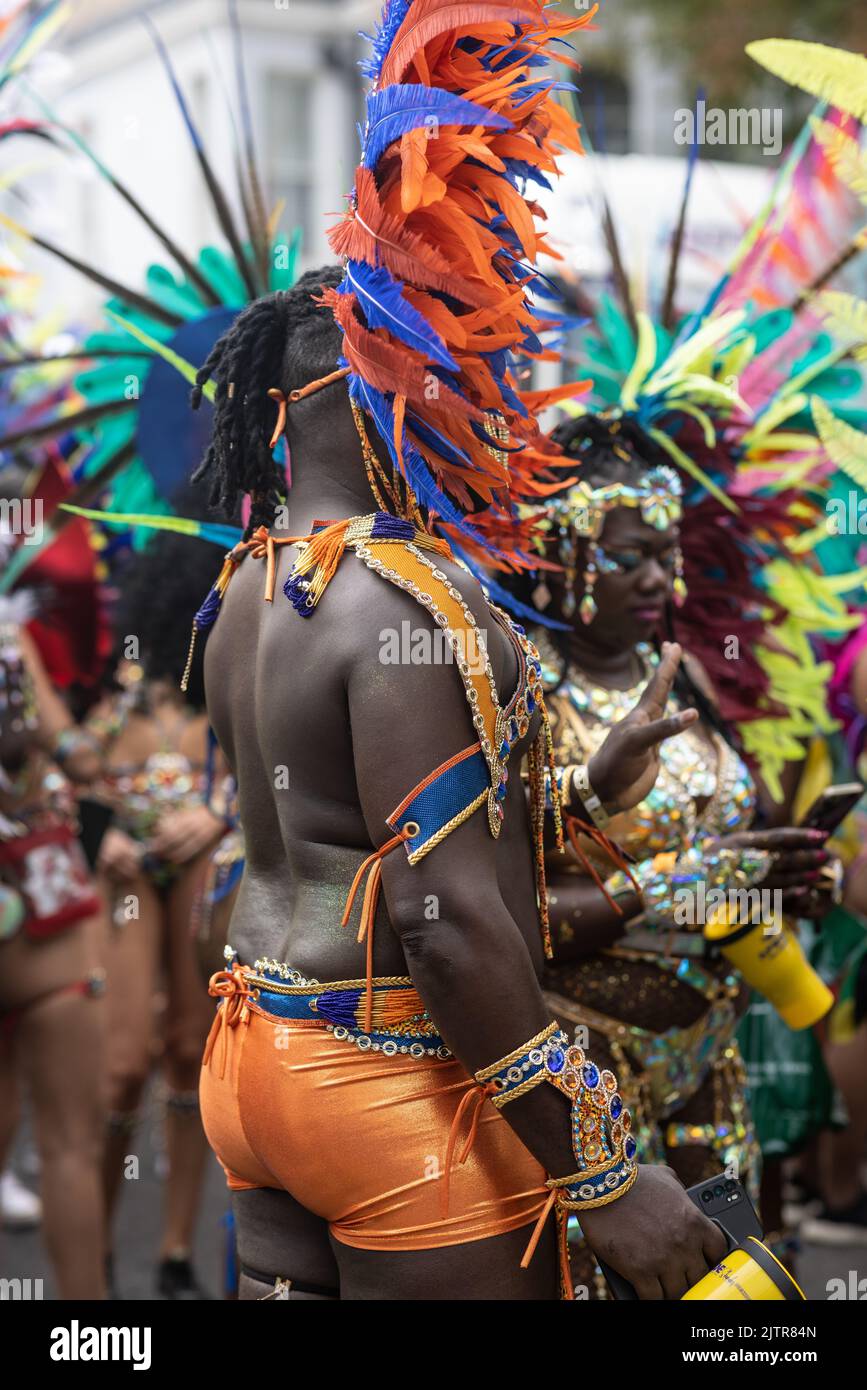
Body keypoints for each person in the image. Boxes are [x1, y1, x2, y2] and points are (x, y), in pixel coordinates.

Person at [188, 268, 729, 1301]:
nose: (476, 410)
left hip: (254, 1060)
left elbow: (339, 821)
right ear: (387, 388)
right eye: (452, 378)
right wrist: (602, 1176)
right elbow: (438, 919)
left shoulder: (251, 586)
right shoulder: (405, 600)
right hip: (387, 1078)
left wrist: (573, 792)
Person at [524, 414, 840, 1292]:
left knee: (741, 1316)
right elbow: (502, 919)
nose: (659, 579)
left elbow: (746, 837)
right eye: (630, 558)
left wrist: (795, 876)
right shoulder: (519, 699)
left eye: (666, 555)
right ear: (560, 557)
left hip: (710, 1067)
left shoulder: (685, 674)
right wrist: (678, 882)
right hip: (584, 1088)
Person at [84, 527, 234, 1298]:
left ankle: (174, 1252)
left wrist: (216, 814)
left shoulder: (232, 690)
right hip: (131, 884)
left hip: (203, 871)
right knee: (120, 1068)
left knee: (186, 1050)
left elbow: (264, 776)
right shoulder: (124, 690)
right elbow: (71, 769)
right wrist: (103, 833)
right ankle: (98, 1251)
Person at [0, 606, 106, 1298]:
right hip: (41, 911)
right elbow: (77, 753)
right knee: (70, 1146)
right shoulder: (7, 640)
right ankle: (87, 1339)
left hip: (37, 909)